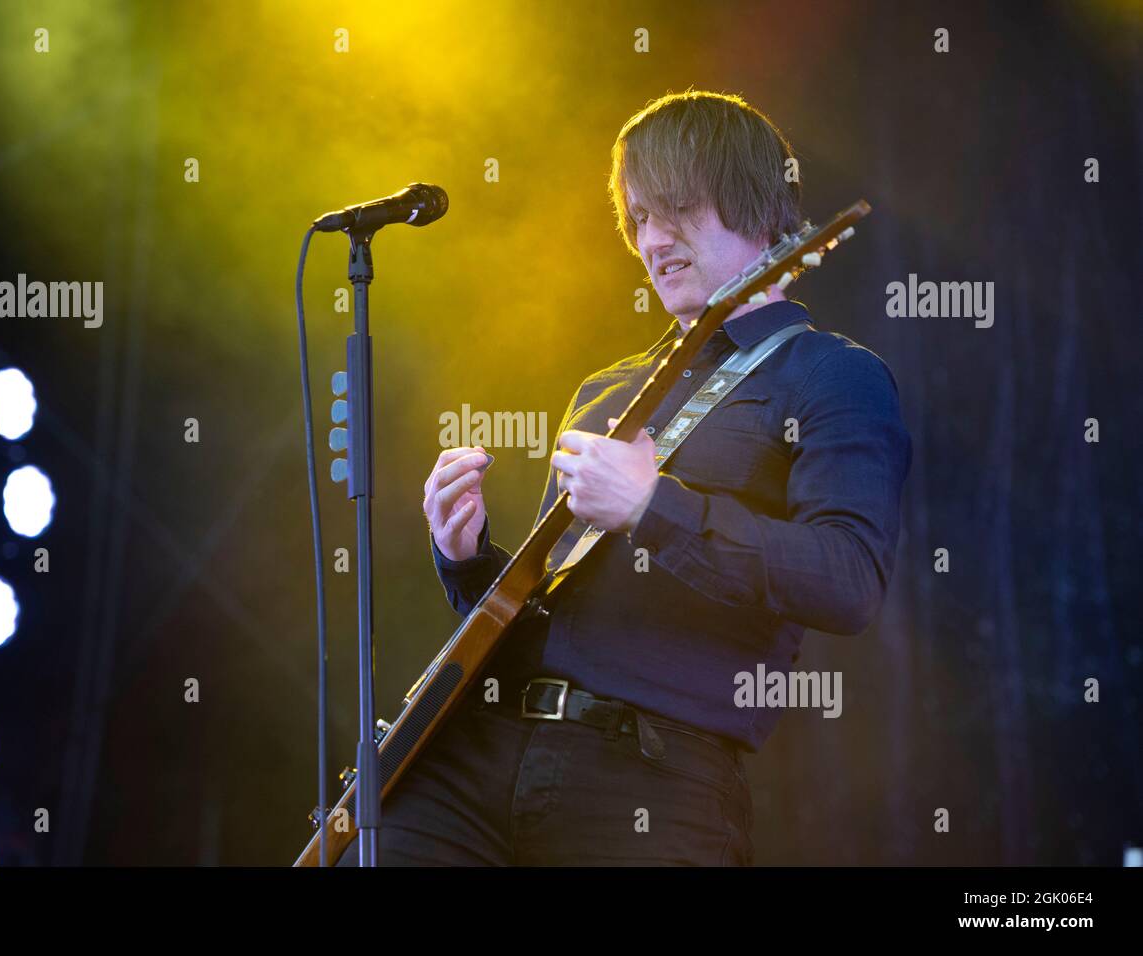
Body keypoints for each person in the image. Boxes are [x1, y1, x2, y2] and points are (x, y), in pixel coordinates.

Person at [338, 90, 911, 866]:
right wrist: (469, 558)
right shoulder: (608, 389)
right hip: (470, 757)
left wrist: (655, 506)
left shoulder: (835, 376)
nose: (652, 238)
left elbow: (848, 581)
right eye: (638, 216)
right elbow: (555, 616)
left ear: (756, 201)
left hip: (648, 778)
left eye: (676, 207)